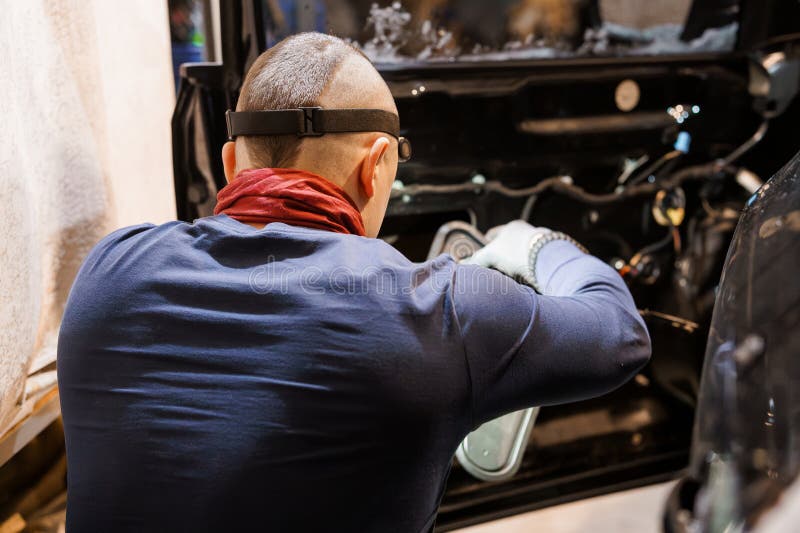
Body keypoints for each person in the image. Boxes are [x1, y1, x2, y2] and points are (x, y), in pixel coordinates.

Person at [57, 32, 650, 532]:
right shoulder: (440, 311)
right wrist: (536, 244)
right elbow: (619, 333)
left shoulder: (109, 269)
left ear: (231, 163)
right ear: (376, 165)